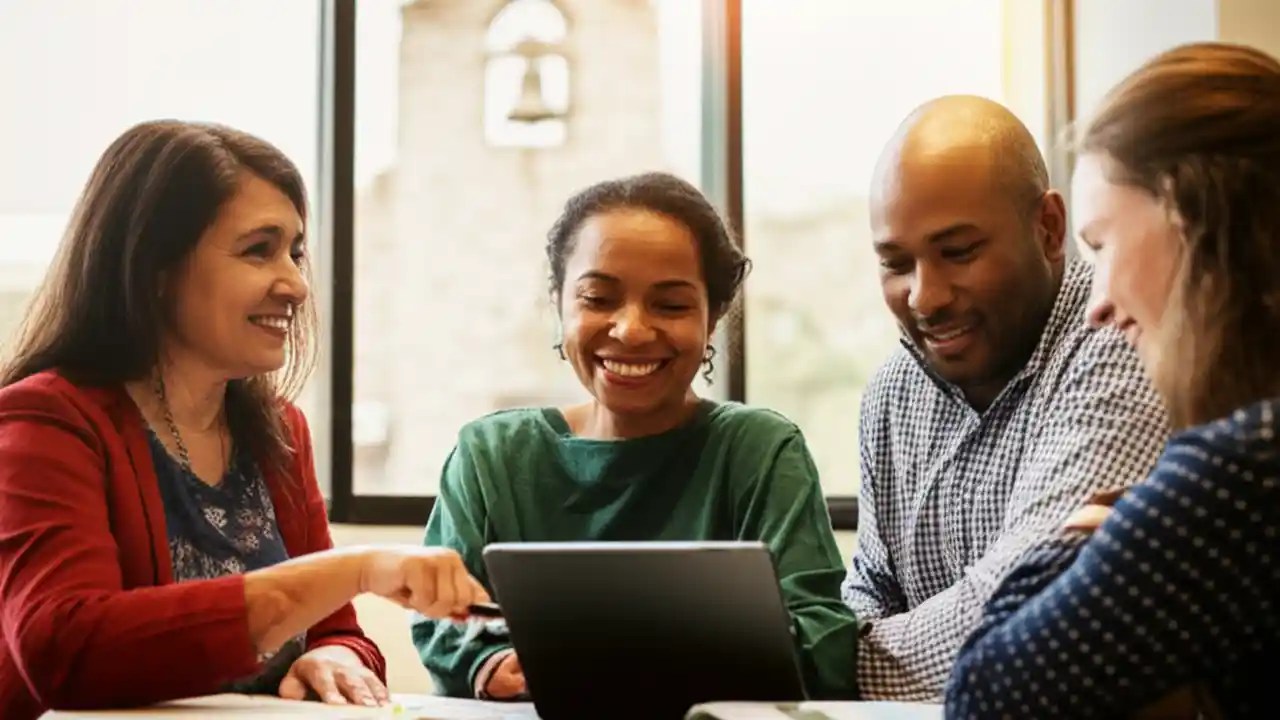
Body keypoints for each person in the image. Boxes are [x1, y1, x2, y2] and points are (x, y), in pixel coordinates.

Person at [0, 120, 488, 720]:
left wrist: (335, 657)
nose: (297, 285)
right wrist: (355, 568)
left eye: (295, 252)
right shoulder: (45, 420)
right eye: (259, 249)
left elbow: (337, 630)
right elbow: (65, 651)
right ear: (155, 267)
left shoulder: (281, 432)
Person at [411, 172, 858, 701]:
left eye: (670, 305)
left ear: (713, 317)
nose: (631, 330)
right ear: (560, 304)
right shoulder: (490, 456)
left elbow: (825, 639)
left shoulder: (760, 451)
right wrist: (491, 664)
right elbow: (440, 617)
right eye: (598, 298)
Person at [946, 42, 1280, 718]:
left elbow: (983, 698)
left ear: (1190, 213)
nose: (1096, 300)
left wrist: (1070, 543)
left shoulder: (1245, 467)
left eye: (1101, 245)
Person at [842, 95, 1169, 700]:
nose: (925, 297)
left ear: (1048, 228)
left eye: (958, 253)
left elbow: (1027, 614)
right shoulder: (891, 393)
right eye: (896, 263)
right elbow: (868, 591)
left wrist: (827, 663)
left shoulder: (1120, 344)